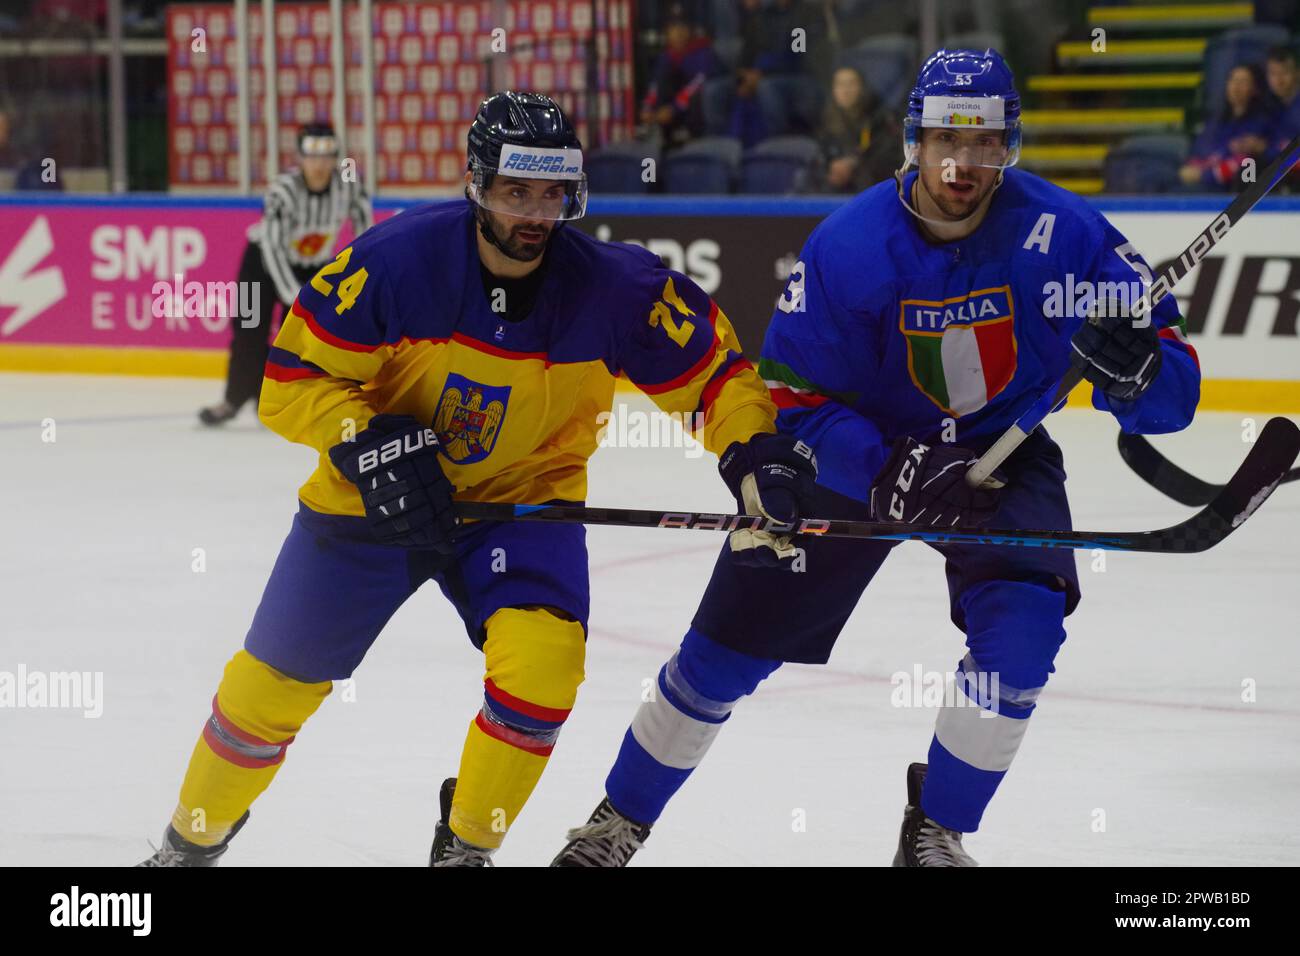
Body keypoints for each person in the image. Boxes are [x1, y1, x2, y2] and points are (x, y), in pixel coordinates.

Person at [552, 49, 1202, 867]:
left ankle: (937, 830)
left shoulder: (1068, 236)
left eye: (984, 143)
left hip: (998, 452)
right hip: (853, 457)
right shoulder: (849, 246)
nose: (962, 164)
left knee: (1023, 638)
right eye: (945, 141)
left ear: (1010, 145)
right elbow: (790, 402)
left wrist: (1140, 373)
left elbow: (1173, 400)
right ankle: (618, 820)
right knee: (725, 650)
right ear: (913, 141)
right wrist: (884, 470)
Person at [138, 92, 806, 867]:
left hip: (520, 506)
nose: (535, 214)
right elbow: (290, 381)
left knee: (543, 672)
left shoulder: (615, 288)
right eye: (516, 191)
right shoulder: (396, 261)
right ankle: (187, 846)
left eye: (552, 194)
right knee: (267, 689)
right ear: (477, 184)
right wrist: (365, 439)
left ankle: (467, 848)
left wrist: (753, 457)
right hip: (368, 506)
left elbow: (717, 380)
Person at [198, 122, 372, 426]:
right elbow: (272, 247)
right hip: (259, 263)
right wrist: (294, 295)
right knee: (248, 328)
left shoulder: (349, 186)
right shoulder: (283, 190)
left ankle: (283, 399)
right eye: (312, 155)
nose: (319, 164)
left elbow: (364, 230)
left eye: (327, 155)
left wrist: (361, 272)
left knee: (302, 338)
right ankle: (233, 400)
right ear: (300, 157)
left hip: (313, 265)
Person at [1179, 64, 1277, 190]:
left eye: (1243, 82)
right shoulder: (1217, 120)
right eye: (1233, 80)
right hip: (1200, 172)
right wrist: (1192, 167)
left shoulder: (1262, 123)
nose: (1236, 87)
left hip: (1223, 186)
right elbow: (1200, 150)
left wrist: (1203, 175)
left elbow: (1244, 162)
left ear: (1255, 88)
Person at [639, 4, 725, 148]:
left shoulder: (702, 53)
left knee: (698, 96)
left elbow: (695, 87)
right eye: (673, 28)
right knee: (664, 77)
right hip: (672, 112)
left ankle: (690, 137)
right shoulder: (666, 56)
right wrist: (648, 108)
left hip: (694, 111)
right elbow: (655, 85)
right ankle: (660, 136)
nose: (678, 33)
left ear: (690, 30)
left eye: (682, 28)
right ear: (667, 32)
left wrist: (673, 109)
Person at [818, 65, 902, 192]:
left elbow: (887, 158)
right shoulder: (825, 120)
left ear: (862, 88)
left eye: (851, 84)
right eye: (840, 84)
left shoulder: (880, 119)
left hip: (873, 188)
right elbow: (820, 155)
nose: (845, 91)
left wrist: (854, 164)